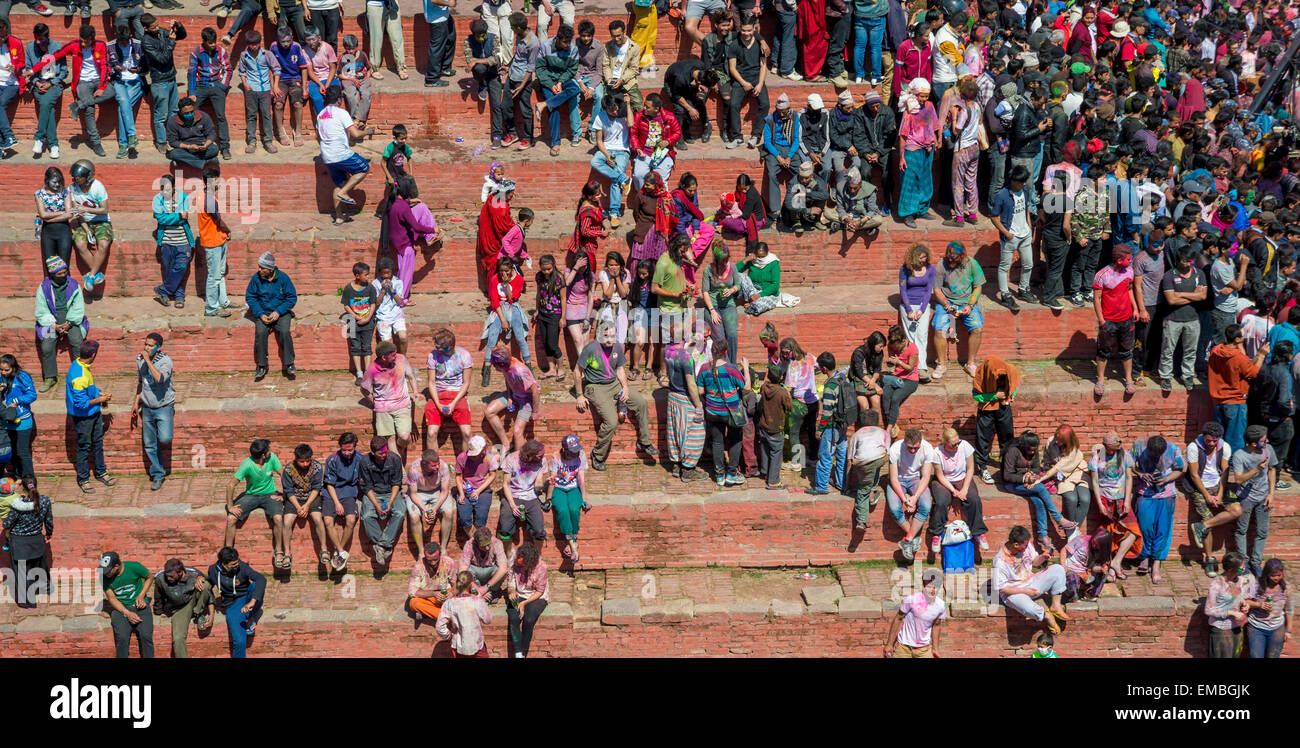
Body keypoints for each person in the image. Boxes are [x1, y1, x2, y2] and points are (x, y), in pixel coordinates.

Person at [575, 321, 658, 470]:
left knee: (641, 402)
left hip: (614, 384)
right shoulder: (591, 349)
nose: (609, 339)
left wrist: (625, 387)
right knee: (611, 422)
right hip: (596, 386)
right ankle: (598, 455)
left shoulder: (617, 347)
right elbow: (577, 371)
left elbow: (620, 369)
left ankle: (644, 442)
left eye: (612, 336)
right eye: (606, 336)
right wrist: (579, 394)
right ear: (600, 335)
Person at [30, 25, 111, 158]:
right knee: (89, 109)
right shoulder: (74, 45)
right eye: (81, 40)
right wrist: (33, 70)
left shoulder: (101, 45)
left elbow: (105, 67)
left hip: (98, 80)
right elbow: (53, 57)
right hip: (82, 83)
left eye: (86, 41)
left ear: (92, 39)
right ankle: (96, 142)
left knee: (112, 92)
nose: (83, 44)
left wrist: (102, 87)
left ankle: (78, 105)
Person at [1129, 435, 1186, 586]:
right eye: (1152, 454)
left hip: (1166, 494)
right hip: (1145, 493)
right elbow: (1129, 465)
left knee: (1162, 530)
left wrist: (1166, 480)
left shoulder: (1173, 449)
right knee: (1144, 527)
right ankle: (1144, 556)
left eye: (1158, 455)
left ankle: (1156, 564)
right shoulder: (1139, 445)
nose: (1155, 457)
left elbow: (1181, 469)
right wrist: (1141, 474)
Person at [994, 525, 1070, 634]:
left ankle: (1055, 606)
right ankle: (1046, 616)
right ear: (1016, 544)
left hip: (1032, 582)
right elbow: (1002, 589)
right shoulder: (1000, 561)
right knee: (1026, 606)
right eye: (1025, 545)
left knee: (1058, 569)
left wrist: (1042, 557)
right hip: (1015, 593)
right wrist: (1025, 591)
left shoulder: (1025, 544)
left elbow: (1034, 562)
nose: (1027, 546)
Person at [696, 338, 749, 487]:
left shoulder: (704, 368)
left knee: (717, 443)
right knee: (735, 440)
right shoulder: (732, 369)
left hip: (712, 411)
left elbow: (700, 391)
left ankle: (719, 476)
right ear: (725, 352)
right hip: (731, 412)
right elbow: (747, 388)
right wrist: (745, 368)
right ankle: (731, 474)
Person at [1227, 425, 1278, 580]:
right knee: (1242, 530)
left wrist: (1271, 493)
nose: (1267, 441)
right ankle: (1243, 562)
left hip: (1263, 496)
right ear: (1254, 443)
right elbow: (1238, 479)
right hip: (1246, 497)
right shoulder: (1239, 455)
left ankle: (1256, 563)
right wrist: (1256, 469)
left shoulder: (1268, 449)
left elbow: (1272, 470)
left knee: (1262, 532)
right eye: (1264, 440)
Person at [1093, 245, 1144, 397]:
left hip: (1126, 319)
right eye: (1129, 259)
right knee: (1103, 351)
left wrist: (1135, 308)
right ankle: (1100, 379)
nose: (1131, 260)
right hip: (1109, 321)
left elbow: (1129, 290)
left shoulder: (1129, 271)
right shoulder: (1102, 275)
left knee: (1127, 351)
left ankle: (1128, 379)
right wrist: (1101, 319)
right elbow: (1096, 298)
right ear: (1120, 260)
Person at [1186, 421, 1234, 577]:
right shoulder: (1193, 447)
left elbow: (1225, 472)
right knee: (1207, 516)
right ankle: (1209, 558)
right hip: (1198, 487)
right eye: (1208, 440)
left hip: (1217, 484)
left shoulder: (1225, 447)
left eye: (1215, 440)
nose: (1212, 443)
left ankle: (1202, 526)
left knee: (1237, 509)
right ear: (1203, 437)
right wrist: (1207, 496)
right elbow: (1193, 475)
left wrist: (1220, 494)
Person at [1209, 323, 1268, 451]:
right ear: (1237, 340)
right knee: (1235, 439)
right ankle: (1231, 466)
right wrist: (1262, 355)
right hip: (1235, 401)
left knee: (1219, 437)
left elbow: (1245, 367)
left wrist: (1257, 356)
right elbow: (1252, 373)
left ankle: (1220, 462)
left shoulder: (1216, 350)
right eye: (1242, 335)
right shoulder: (1237, 357)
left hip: (1219, 400)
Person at [929, 426, 988, 554]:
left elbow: (971, 469)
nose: (956, 446)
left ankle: (979, 532)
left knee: (974, 499)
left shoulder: (965, 446)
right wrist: (953, 490)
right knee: (941, 502)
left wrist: (964, 489)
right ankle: (936, 534)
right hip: (944, 480)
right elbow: (939, 475)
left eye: (958, 443)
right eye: (953, 445)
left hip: (962, 478)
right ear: (945, 443)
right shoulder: (937, 452)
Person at [67, 339, 115, 494]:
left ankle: (101, 471)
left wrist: (99, 392)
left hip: (93, 413)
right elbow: (81, 403)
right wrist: (100, 400)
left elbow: (89, 389)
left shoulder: (81, 364)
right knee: (84, 447)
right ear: (93, 354)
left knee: (98, 443)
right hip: (83, 417)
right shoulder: (79, 375)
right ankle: (83, 478)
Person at [317, 87, 370, 224]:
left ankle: (339, 217)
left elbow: (320, 137)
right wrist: (368, 131)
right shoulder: (342, 113)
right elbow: (356, 134)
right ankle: (344, 192)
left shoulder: (320, 114)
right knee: (364, 167)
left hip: (327, 156)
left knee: (339, 183)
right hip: (340, 154)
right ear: (340, 100)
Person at [34, 256, 87, 392]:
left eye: (65, 272)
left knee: (77, 341)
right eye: (59, 274)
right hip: (52, 320)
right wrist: (54, 325)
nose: (63, 275)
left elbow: (78, 307)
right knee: (46, 346)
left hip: (71, 319)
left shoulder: (74, 284)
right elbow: (41, 310)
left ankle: (79, 375)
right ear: (52, 274)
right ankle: (50, 377)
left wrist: (69, 323)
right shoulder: (44, 287)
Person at [931, 241, 984, 379]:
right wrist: (947, 306)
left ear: (962, 256)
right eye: (949, 258)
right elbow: (936, 290)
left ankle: (970, 363)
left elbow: (978, 287)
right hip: (946, 302)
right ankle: (941, 364)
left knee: (977, 328)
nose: (950, 261)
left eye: (954, 259)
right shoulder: (941, 265)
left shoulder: (972, 263)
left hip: (966, 302)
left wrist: (970, 305)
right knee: (939, 329)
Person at [1158, 247, 1208, 391]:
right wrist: (1193, 295)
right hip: (1172, 320)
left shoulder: (1199, 274)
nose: (1187, 264)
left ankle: (1187, 376)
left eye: (1190, 261)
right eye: (1184, 261)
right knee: (1167, 350)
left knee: (1190, 350)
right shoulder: (1169, 275)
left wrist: (1180, 295)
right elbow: (1171, 300)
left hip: (1193, 319)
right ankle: (1165, 376)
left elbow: (1203, 296)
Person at [224, 438, 284, 554]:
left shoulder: (272, 458)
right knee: (231, 519)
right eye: (268, 450)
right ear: (263, 455)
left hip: (270, 494)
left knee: (278, 518)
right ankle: (228, 553)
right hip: (252, 495)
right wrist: (230, 506)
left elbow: (283, 474)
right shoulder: (247, 464)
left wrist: (285, 496)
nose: (270, 451)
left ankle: (279, 551)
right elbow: (230, 485)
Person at [809, 352, 857, 496]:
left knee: (825, 456)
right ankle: (841, 483)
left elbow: (827, 412)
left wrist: (820, 429)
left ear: (824, 369)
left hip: (831, 427)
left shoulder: (830, 386)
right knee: (842, 455)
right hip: (843, 425)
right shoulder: (843, 378)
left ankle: (822, 486)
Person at [131, 332, 174, 491]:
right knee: (149, 444)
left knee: (165, 438)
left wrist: (148, 361)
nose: (146, 348)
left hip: (164, 406)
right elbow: (141, 382)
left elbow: (160, 379)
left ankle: (160, 467)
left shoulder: (166, 361)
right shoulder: (139, 359)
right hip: (147, 407)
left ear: (158, 347)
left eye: (150, 345)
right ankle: (158, 474)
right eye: (146, 344)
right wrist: (136, 403)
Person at [206, 546, 267, 658]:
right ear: (224, 564)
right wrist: (200, 579)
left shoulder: (242, 567)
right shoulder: (213, 570)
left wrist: (252, 601)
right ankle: (248, 617)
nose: (237, 565)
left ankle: (251, 614)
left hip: (247, 597)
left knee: (255, 585)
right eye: (233, 564)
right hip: (232, 606)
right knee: (239, 641)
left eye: (237, 562)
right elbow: (209, 583)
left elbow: (261, 579)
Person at [896, 78, 940, 228]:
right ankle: (908, 213)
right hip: (912, 150)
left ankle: (922, 209)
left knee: (925, 180)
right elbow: (903, 135)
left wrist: (936, 141)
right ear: (915, 94)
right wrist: (901, 156)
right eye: (922, 96)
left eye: (926, 96)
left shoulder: (929, 106)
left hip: (927, 148)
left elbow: (934, 126)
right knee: (910, 182)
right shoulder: (910, 111)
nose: (924, 99)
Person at [246, 252, 297, 381]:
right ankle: (262, 365)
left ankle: (289, 363)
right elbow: (250, 297)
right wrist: (260, 313)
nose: (259, 270)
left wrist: (278, 311)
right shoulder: (256, 279)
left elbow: (291, 298)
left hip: (281, 312)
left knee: (285, 331)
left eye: (262, 268)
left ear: (270, 269)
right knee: (260, 332)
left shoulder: (283, 278)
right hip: (263, 312)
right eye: (259, 267)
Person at [1, 478, 49, 609]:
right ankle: (45, 588)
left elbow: (7, 523)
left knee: (21, 573)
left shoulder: (17, 505)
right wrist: (49, 532)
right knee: (38, 566)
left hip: (20, 544)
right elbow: (48, 520)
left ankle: (28, 602)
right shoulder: (44, 501)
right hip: (37, 541)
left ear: (22, 487)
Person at [887, 428, 934, 562]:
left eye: (916, 448)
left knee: (925, 505)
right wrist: (904, 499)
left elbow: (925, 477)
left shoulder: (927, 448)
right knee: (895, 509)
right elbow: (894, 478)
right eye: (910, 448)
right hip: (899, 480)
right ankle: (912, 539)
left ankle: (907, 540)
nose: (913, 451)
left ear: (921, 443)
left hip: (915, 479)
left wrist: (914, 497)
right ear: (905, 442)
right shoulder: (896, 448)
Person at [359, 434, 406, 567]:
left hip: (392, 492)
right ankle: (385, 545)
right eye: (380, 453)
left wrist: (390, 502)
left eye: (385, 452)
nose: (384, 455)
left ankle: (381, 546)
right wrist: (377, 505)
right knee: (367, 516)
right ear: (373, 452)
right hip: (373, 494)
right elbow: (366, 487)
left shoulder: (395, 459)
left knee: (400, 513)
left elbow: (397, 483)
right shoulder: (365, 461)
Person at [424, 329, 474, 452]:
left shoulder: (464, 355)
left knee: (467, 433)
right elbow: (431, 382)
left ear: (449, 346)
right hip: (438, 394)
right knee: (431, 433)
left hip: (458, 394)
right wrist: (438, 404)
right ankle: (433, 465)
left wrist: (453, 403)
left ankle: (465, 464)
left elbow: (466, 383)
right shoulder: (432, 355)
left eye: (439, 348)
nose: (437, 350)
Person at [151, 559, 213, 658]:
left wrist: (212, 615)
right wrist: (158, 612)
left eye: (171, 576)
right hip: (179, 609)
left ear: (180, 572)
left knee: (205, 584)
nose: (168, 578)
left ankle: (197, 613)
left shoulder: (194, 573)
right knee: (178, 638)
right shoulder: (160, 579)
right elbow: (158, 597)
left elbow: (210, 592)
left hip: (193, 601)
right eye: (167, 575)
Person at [67, 160, 113, 293]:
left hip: (101, 221)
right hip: (83, 222)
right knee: (80, 244)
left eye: (79, 177)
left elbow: (104, 210)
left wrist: (86, 210)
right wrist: (87, 230)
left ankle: (91, 275)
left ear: (88, 176)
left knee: (104, 244)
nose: (76, 179)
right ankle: (97, 274)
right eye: (75, 177)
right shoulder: (72, 189)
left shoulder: (98, 187)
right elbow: (77, 211)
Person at [188, 27, 233, 161]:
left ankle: (225, 147)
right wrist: (192, 92)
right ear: (204, 41)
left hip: (216, 86)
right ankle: (195, 143)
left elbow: (228, 69)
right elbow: (191, 72)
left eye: (214, 42)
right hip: (201, 87)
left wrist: (222, 86)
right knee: (192, 114)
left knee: (221, 116)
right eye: (210, 43)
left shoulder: (221, 51)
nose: (213, 45)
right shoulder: (196, 53)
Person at [971, 356, 1018, 485]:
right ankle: (982, 467)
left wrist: (1011, 395)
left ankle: (1008, 465)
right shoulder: (981, 375)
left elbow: (1013, 384)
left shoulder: (1009, 370)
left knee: (1007, 437)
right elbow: (976, 395)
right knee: (983, 438)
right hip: (986, 410)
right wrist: (994, 396)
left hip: (1003, 407)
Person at [725, 14, 768, 150]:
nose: (746, 33)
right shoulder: (734, 45)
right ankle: (738, 137)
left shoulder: (760, 44)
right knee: (733, 104)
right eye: (744, 30)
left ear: (754, 29)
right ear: (740, 29)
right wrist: (743, 83)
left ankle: (756, 136)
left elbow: (763, 66)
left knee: (765, 104)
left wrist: (760, 84)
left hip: (757, 77)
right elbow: (732, 68)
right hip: (741, 78)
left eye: (749, 30)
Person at [279, 443, 325, 571]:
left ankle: (324, 549)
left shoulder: (316, 467)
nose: (305, 464)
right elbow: (288, 491)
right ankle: (287, 553)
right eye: (301, 461)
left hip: (311, 497)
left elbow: (316, 488)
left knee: (318, 519)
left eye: (307, 461)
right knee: (287, 522)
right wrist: (299, 507)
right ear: (296, 459)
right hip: (294, 499)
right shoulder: (288, 469)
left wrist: (307, 505)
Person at [100, 552, 154, 658]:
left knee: (146, 636)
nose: (105, 573)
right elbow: (112, 598)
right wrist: (127, 613)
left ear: (116, 566)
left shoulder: (134, 567)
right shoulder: (104, 577)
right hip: (121, 608)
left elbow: (150, 577)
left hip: (140, 606)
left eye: (108, 570)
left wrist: (141, 595)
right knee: (122, 638)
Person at [1204, 550, 1256, 658]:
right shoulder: (1217, 585)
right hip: (1221, 631)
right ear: (1231, 569)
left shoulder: (1238, 580)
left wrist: (1244, 604)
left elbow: (1235, 596)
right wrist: (1231, 612)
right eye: (1240, 567)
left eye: (1243, 566)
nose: (1243, 569)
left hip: (1236, 627)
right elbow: (1209, 610)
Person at [151, 173, 192, 310]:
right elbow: (161, 219)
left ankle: (164, 290)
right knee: (169, 269)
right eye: (162, 188)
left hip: (183, 239)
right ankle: (177, 295)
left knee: (180, 267)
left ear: (174, 187)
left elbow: (184, 218)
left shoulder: (184, 197)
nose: (165, 192)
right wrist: (178, 215)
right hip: (167, 240)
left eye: (168, 189)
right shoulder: (157, 199)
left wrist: (171, 217)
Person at [883, 569, 945, 658]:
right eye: (929, 585)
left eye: (935, 585)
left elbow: (936, 625)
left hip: (924, 650)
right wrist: (889, 644)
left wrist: (935, 648)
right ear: (924, 584)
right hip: (903, 648)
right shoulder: (911, 599)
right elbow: (898, 618)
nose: (932, 589)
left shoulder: (941, 605)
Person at [322, 432, 362, 571]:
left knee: (351, 520)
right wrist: (337, 503)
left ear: (355, 447)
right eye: (344, 450)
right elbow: (329, 484)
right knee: (328, 520)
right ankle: (341, 551)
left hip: (349, 492)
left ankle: (340, 551)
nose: (347, 453)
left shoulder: (360, 458)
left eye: (350, 450)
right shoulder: (332, 459)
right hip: (331, 492)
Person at [25, 22, 65, 159]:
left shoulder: (57, 47)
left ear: (47, 37)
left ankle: (39, 138)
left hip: (54, 84)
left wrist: (51, 83)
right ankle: (54, 145)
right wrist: (36, 82)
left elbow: (64, 72)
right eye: (36, 38)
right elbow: (28, 68)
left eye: (41, 38)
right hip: (37, 84)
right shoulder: (30, 47)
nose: (37, 41)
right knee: (48, 108)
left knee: (45, 104)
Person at [548, 434, 589, 562]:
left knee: (574, 510)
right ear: (565, 450)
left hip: (573, 487)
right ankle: (572, 544)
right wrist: (548, 498)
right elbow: (552, 479)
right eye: (572, 452)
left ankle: (572, 540)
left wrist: (584, 498)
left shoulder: (581, 455)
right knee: (563, 511)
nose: (576, 454)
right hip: (559, 488)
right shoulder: (556, 457)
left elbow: (581, 478)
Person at [1041, 424, 1090, 528]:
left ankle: (1073, 530)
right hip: (1061, 475)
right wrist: (1049, 466)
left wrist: (1056, 468)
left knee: (1085, 499)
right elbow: (1045, 461)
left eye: (1060, 441)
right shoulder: (1051, 442)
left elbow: (1067, 466)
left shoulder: (1073, 448)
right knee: (1072, 499)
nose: (1057, 442)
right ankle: (1071, 530)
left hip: (1077, 471)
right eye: (1056, 439)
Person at [898, 244, 935, 382]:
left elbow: (928, 290)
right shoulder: (904, 269)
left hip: (922, 306)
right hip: (907, 305)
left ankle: (922, 367)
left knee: (922, 335)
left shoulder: (930, 269)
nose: (923, 260)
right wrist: (909, 310)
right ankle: (913, 368)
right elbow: (903, 290)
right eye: (920, 258)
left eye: (925, 257)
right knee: (911, 337)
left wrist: (921, 309)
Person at [762, 93, 803, 215]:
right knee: (771, 174)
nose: (781, 114)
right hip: (775, 149)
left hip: (791, 148)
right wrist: (779, 157)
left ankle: (797, 205)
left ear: (788, 109)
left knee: (800, 172)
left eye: (783, 111)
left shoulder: (795, 118)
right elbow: (767, 142)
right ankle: (775, 208)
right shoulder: (770, 120)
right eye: (779, 111)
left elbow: (796, 139)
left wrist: (789, 157)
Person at [109, 22, 145, 160]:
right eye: (120, 41)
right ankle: (132, 136)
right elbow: (106, 66)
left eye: (125, 41)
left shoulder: (138, 44)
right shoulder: (110, 46)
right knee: (124, 102)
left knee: (122, 108)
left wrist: (138, 70)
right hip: (119, 80)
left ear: (130, 37)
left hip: (135, 81)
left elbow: (146, 67)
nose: (123, 44)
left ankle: (123, 144)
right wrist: (114, 69)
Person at [268, 27, 310, 147]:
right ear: (278, 39)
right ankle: (281, 132)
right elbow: (271, 69)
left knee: (297, 104)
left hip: (295, 79)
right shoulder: (274, 46)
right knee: (278, 104)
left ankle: (298, 132)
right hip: (280, 79)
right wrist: (273, 86)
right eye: (283, 41)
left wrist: (305, 87)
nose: (286, 44)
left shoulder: (296, 47)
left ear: (292, 38)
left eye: (288, 41)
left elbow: (303, 68)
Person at [630, 93, 681, 189]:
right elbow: (633, 133)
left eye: (647, 107)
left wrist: (668, 141)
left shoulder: (669, 117)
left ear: (656, 109)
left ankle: (661, 203)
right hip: (644, 153)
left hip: (663, 154)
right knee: (639, 176)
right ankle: (644, 200)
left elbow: (677, 132)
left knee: (661, 181)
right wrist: (637, 148)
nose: (644, 108)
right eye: (644, 105)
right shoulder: (639, 116)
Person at [506, 541, 548, 657]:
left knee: (528, 620)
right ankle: (518, 652)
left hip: (536, 596)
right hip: (519, 594)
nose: (518, 563)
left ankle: (523, 652)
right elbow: (510, 584)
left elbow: (540, 591)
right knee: (514, 619)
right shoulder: (514, 562)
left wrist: (524, 603)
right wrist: (512, 591)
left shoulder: (541, 567)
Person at [406, 450, 455, 551]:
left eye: (438, 464)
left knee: (449, 513)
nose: (437, 467)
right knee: (414, 517)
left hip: (438, 491)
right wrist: (424, 510)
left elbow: (445, 491)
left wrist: (435, 508)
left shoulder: (444, 467)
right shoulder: (414, 469)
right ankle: (421, 551)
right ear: (424, 464)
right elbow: (413, 494)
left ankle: (443, 548)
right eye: (433, 466)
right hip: (418, 492)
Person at [437, 571, 493, 656]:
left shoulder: (449, 603)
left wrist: (449, 636)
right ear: (471, 583)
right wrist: (480, 598)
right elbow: (488, 620)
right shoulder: (478, 601)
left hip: (458, 646)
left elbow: (439, 627)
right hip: (477, 644)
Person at [1246, 559, 1292, 659]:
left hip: (1277, 628)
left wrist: (1288, 631)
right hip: (1256, 627)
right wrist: (1259, 604)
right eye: (1273, 575)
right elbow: (1246, 602)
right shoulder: (1256, 584)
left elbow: (1289, 610)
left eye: (1279, 575)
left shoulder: (1286, 587)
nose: (1276, 578)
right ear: (1266, 574)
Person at [0, 355, 36, 480]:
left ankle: (29, 480)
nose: (3, 373)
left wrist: (17, 400)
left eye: (6, 370)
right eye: (1, 370)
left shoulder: (22, 377)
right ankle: (16, 477)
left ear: (13, 368)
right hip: (6, 421)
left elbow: (32, 395)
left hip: (22, 421)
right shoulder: (0, 378)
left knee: (22, 452)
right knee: (12, 452)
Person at [341, 262, 377, 384]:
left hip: (368, 321)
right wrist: (355, 316)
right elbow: (346, 305)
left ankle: (367, 373)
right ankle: (359, 374)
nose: (368, 277)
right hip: (352, 321)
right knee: (355, 347)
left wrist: (368, 318)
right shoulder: (348, 289)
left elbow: (373, 304)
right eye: (366, 275)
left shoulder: (370, 288)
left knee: (367, 347)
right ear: (357, 276)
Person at [454, 436, 499, 533]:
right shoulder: (462, 457)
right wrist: (461, 493)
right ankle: (475, 541)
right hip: (466, 489)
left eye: (476, 454)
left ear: (484, 449)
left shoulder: (490, 456)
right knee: (464, 519)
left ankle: (478, 541)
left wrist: (478, 491)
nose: (473, 457)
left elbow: (492, 475)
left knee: (481, 518)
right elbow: (458, 476)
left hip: (483, 489)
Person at [880, 325, 919, 432]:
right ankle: (892, 423)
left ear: (903, 340)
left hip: (910, 379)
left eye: (897, 346)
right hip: (896, 377)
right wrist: (890, 362)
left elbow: (910, 368)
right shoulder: (891, 345)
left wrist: (899, 362)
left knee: (895, 398)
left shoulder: (913, 349)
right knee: (886, 395)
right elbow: (891, 364)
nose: (895, 348)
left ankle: (889, 426)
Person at [407, 541, 457, 623]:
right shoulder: (418, 566)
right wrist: (433, 594)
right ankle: (447, 617)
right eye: (429, 560)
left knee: (457, 600)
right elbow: (411, 591)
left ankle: (438, 614)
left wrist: (451, 594)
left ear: (440, 555)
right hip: (427, 597)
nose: (433, 563)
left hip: (446, 595)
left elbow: (456, 584)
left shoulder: (449, 562)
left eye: (435, 560)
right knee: (413, 603)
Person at [165, 96, 219, 170]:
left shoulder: (204, 116)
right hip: (185, 148)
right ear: (180, 111)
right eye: (186, 113)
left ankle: (192, 160)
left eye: (191, 111)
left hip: (202, 147)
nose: (190, 114)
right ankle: (206, 162)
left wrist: (206, 144)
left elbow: (211, 134)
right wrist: (189, 147)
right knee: (174, 154)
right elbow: (173, 141)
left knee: (214, 149)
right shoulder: (172, 121)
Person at [1060, 529, 1113, 603]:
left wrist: (1101, 569)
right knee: (1071, 576)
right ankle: (1073, 598)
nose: (1094, 544)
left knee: (1105, 572)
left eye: (1097, 544)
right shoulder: (1081, 540)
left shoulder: (1103, 553)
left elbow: (1092, 569)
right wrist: (1063, 567)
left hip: (1086, 575)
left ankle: (1090, 594)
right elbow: (1064, 550)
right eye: (1093, 541)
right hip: (1071, 572)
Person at [35, 167, 73, 267]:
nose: (57, 185)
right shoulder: (39, 194)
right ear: (47, 180)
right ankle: (50, 283)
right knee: (50, 265)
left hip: (63, 229)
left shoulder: (65, 192)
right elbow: (43, 214)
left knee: (64, 264)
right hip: (48, 231)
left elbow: (69, 214)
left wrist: (50, 219)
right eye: (54, 182)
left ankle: (65, 282)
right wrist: (61, 212)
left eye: (59, 182)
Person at [603, 19, 643, 114]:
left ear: (624, 32)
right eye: (613, 36)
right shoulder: (608, 46)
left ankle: (632, 123)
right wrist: (608, 79)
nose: (616, 39)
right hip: (611, 81)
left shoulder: (634, 47)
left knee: (639, 105)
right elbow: (606, 65)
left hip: (627, 81)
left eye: (618, 36)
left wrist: (621, 80)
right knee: (605, 105)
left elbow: (634, 69)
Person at [372, 258, 409, 353]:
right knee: (387, 344)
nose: (386, 276)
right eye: (383, 273)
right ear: (380, 272)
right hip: (382, 315)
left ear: (392, 271)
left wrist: (392, 290)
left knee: (403, 337)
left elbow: (400, 302)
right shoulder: (375, 283)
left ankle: (403, 358)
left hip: (396, 314)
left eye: (388, 273)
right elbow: (376, 302)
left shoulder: (398, 282)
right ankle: (390, 362)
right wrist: (383, 290)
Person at [338, 34, 373, 122]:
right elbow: (339, 74)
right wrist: (352, 80)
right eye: (348, 49)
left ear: (357, 47)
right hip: (348, 79)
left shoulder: (362, 55)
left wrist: (367, 78)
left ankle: (359, 119)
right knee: (351, 96)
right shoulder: (342, 58)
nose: (350, 51)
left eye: (353, 48)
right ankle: (354, 117)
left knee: (366, 95)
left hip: (362, 78)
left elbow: (369, 68)